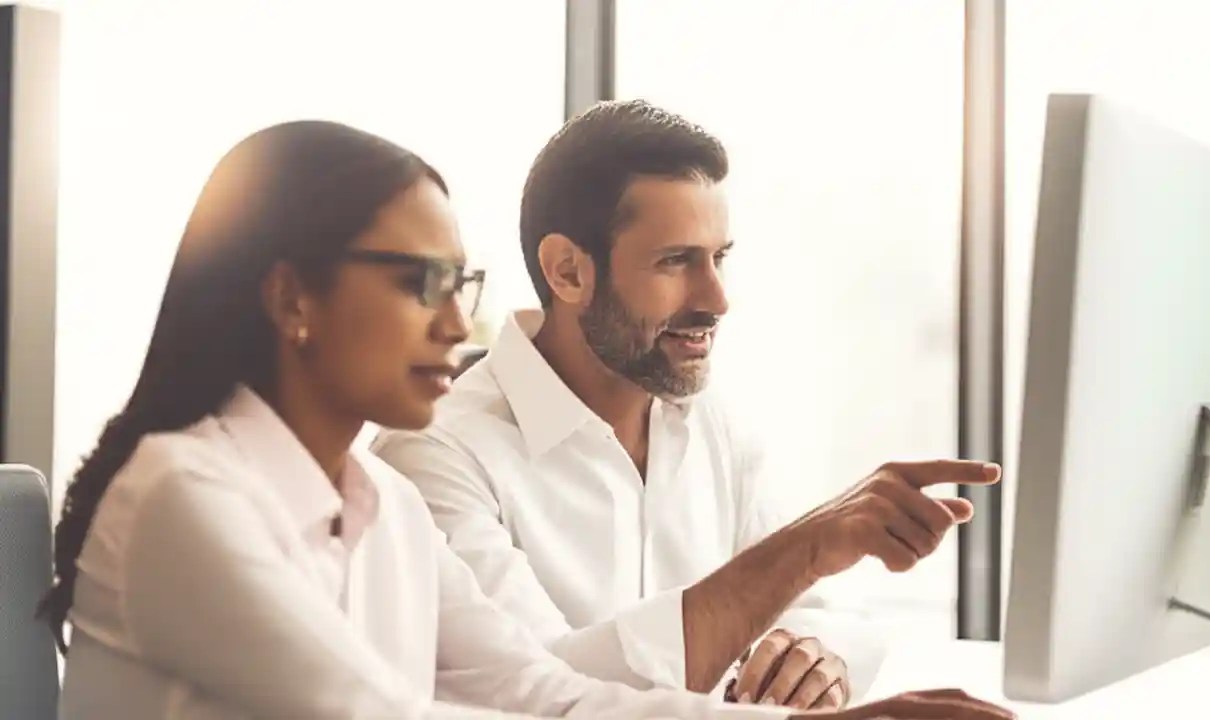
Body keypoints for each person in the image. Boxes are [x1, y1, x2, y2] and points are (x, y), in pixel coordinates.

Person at [42, 119, 1014, 720]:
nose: (454, 324)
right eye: (418, 283)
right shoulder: (183, 495)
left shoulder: (380, 502)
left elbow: (545, 697)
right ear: (293, 297)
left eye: (456, 284)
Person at [373, 99, 1000, 711]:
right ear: (567, 272)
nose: (717, 298)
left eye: (719, 257)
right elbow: (542, 695)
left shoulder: (709, 421)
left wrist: (813, 660)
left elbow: (814, 609)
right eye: (675, 261)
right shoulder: (433, 456)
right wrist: (805, 549)